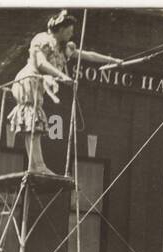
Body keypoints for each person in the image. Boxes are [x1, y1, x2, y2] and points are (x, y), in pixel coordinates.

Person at [7, 12, 122, 176]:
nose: (71, 34)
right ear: (59, 29)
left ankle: (36, 165)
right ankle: (37, 165)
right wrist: (62, 76)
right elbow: (41, 63)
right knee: (33, 124)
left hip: (37, 84)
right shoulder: (42, 40)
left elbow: (87, 54)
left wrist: (113, 60)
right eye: (68, 31)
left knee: (33, 125)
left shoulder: (63, 49)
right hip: (29, 80)